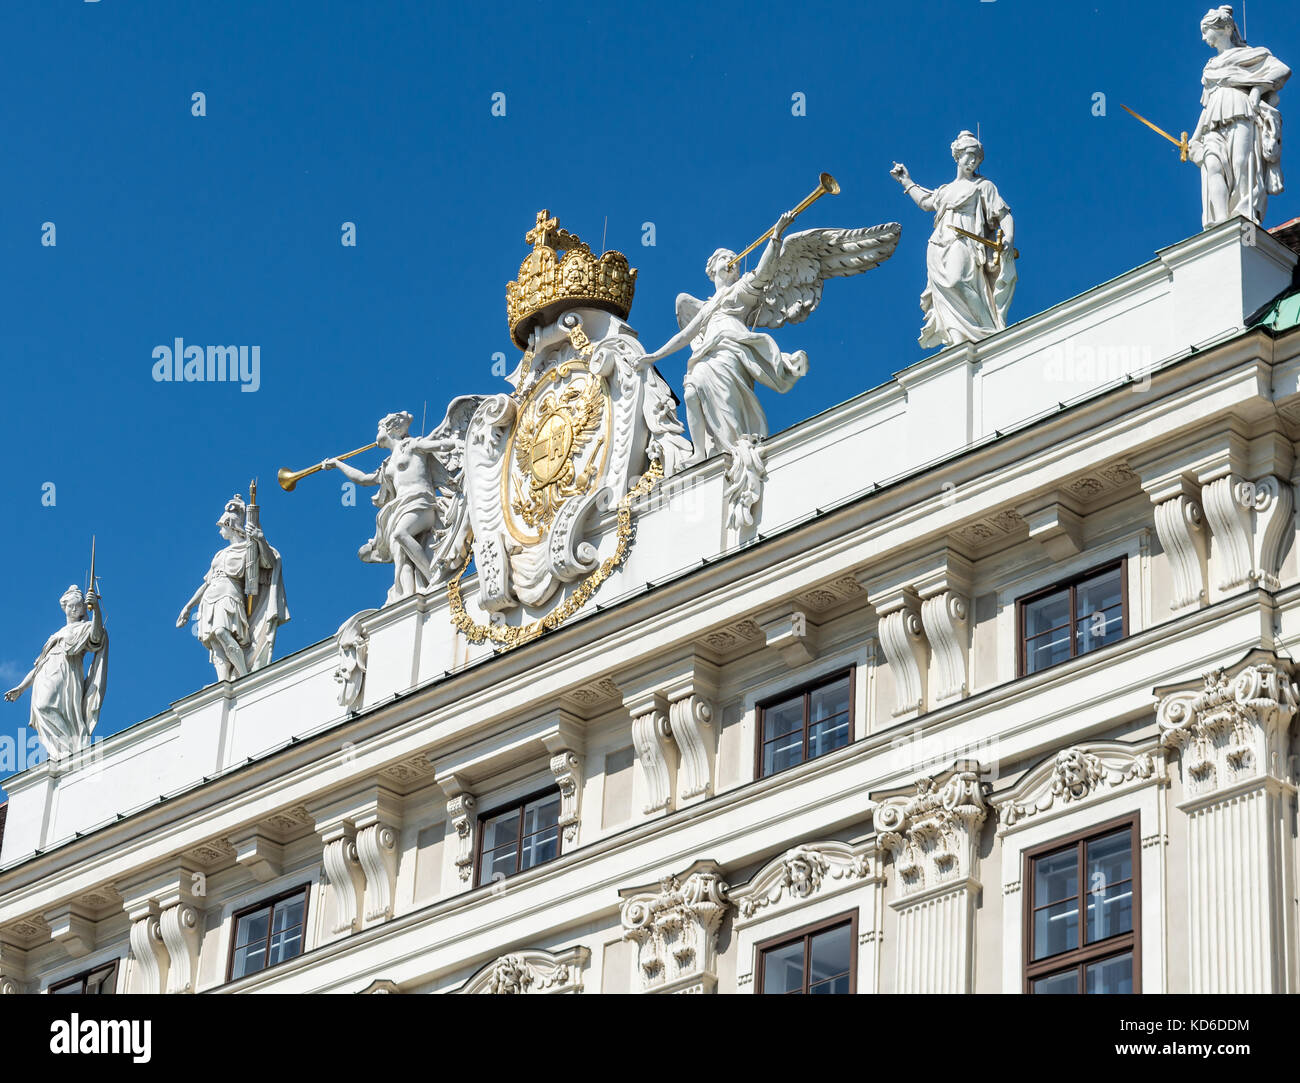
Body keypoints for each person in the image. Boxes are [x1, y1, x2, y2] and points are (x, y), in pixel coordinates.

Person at [891, 131, 1016, 349]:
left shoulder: (983, 186)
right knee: (945, 295)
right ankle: (958, 341)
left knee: (958, 281)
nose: (973, 161)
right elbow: (925, 202)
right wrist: (906, 180)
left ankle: (988, 329)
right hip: (938, 245)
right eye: (969, 155)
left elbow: (1004, 215)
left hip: (964, 240)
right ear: (957, 156)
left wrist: (1009, 238)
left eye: (977, 158)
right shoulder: (944, 190)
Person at [1188, 5, 1290, 228]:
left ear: (1224, 29)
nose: (1203, 37)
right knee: (1212, 164)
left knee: (1242, 166)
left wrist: (1256, 90)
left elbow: (1282, 69)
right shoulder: (1210, 68)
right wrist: (1194, 139)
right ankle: (1221, 224)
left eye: (1206, 31)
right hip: (1213, 121)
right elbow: (1207, 107)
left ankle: (1242, 218)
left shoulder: (1248, 55)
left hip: (1241, 111)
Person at [177, 494, 288, 681]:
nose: (220, 531)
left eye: (222, 526)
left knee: (221, 632)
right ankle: (222, 683)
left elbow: (270, 563)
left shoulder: (248, 548)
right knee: (215, 642)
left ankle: (243, 676)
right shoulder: (219, 554)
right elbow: (206, 584)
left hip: (229, 594)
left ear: (230, 525)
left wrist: (260, 539)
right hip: (210, 597)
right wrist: (188, 607)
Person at [5, 585, 108, 760]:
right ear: (65, 607)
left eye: (78, 606)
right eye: (70, 606)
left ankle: (69, 748)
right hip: (45, 673)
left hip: (66, 673)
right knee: (41, 706)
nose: (74, 609)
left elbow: (97, 637)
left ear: (84, 609)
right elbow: (38, 667)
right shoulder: (56, 635)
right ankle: (59, 751)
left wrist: (96, 609)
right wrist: (21, 688)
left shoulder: (85, 627)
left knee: (46, 706)